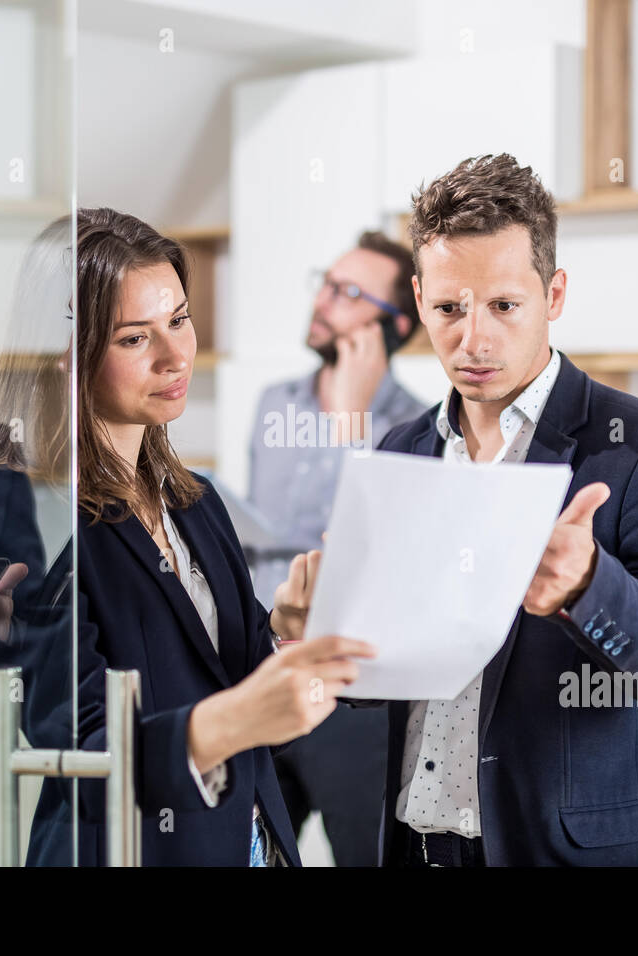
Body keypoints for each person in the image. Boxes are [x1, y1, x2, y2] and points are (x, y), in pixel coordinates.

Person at [0, 207, 375, 866]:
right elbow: (77, 744)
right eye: (134, 338)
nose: (175, 354)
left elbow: (219, 674)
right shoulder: (19, 507)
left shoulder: (194, 500)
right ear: (66, 355)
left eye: (178, 320)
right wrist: (241, 717)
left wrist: (285, 634)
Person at [367, 153, 638, 866]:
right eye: (449, 308)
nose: (473, 337)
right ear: (419, 300)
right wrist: (319, 629)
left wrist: (589, 589)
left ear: (555, 293)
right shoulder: (401, 449)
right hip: (414, 847)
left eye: (505, 306)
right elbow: (389, 664)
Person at [246, 231, 425, 865]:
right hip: (265, 669)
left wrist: (352, 416)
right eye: (326, 282)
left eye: (347, 293)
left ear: (391, 325)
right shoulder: (276, 404)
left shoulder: (414, 429)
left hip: (355, 698)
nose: (323, 302)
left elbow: (357, 545)